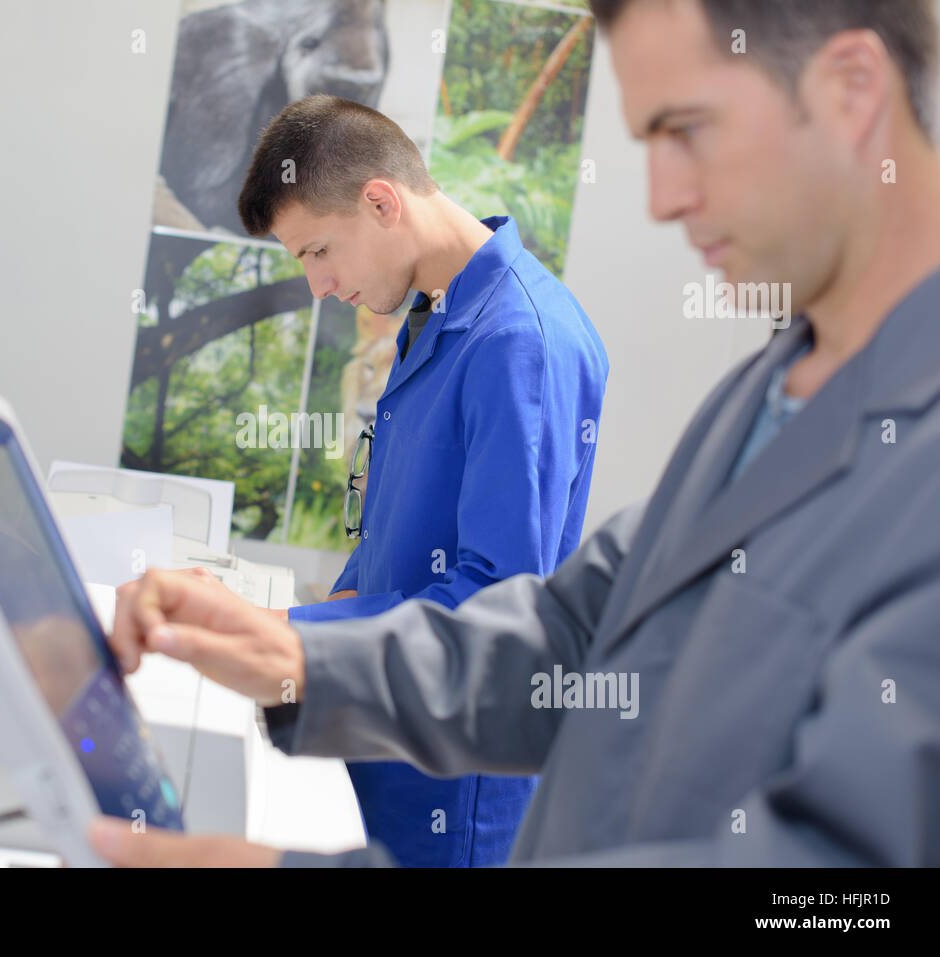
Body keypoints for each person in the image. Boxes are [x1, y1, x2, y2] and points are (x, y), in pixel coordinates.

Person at [91, 0, 940, 867]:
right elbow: (562, 633)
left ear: (852, 88)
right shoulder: (763, 392)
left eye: (687, 129)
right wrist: (287, 648)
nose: (662, 199)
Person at [228, 94, 608, 867]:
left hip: (452, 783)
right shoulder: (433, 315)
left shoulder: (519, 342)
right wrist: (282, 619)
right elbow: (395, 538)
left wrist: (290, 640)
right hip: (380, 734)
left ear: (380, 201)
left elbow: (495, 605)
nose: (319, 286)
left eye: (318, 252)